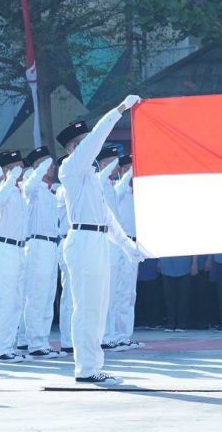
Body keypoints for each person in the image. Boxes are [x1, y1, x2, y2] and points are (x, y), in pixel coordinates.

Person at [56, 95, 144, 385]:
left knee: (98, 305)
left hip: (96, 240)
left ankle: (93, 365)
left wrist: (129, 247)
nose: (90, 145)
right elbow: (95, 139)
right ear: (73, 148)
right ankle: (86, 368)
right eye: (82, 142)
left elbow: (107, 217)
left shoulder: (90, 177)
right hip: (82, 240)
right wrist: (119, 109)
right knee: (87, 307)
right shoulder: (70, 167)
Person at [22, 146, 63, 360]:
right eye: (48, 163)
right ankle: (35, 342)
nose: (53, 167)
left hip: (50, 245)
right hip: (36, 244)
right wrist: (37, 170)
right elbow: (27, 187)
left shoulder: (50, 189)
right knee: (37, 296)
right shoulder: (32, 185)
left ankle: (42, 340)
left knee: (48, 296)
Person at [0, 150, 28, 363]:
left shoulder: (19, 190)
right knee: (5, 299)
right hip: (4, 248)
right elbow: (0, 198)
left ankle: (8, 345)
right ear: (7, 169)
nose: (22, 170)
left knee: (16, 301)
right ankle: (0, 348)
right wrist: (11, 177)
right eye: (17, 166)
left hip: (19, 249)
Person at [112, 156, 144, 349]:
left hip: (133, 245)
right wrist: (129, 173)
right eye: (129, 168)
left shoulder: (134, 192)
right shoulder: (117, 188)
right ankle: (116, 335)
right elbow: (117, 193)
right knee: (120, 292)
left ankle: (125, 334)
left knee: (130, 294)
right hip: (121, 245)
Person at [97, 145, 124, 351]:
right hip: (106, 242)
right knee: (105, 292)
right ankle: (104, 337)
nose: (118, 166)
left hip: (115, 243)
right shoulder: (99, 183)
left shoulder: (110, 185)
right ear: (105, 164)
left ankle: (111, 335)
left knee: (114, 292)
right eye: (114, 162)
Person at [55, 155, 74, 355]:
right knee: (69, 295)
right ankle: (67, 340)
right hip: (68, 239)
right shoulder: (62, 190)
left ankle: (76, 338)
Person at [158, 256, 196, 332]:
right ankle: (170, 323)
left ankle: (182, 324)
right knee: (169, 298)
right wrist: (158, 262)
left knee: (183, 297)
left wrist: (194, 263)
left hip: (184, 265)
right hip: (166, 265)